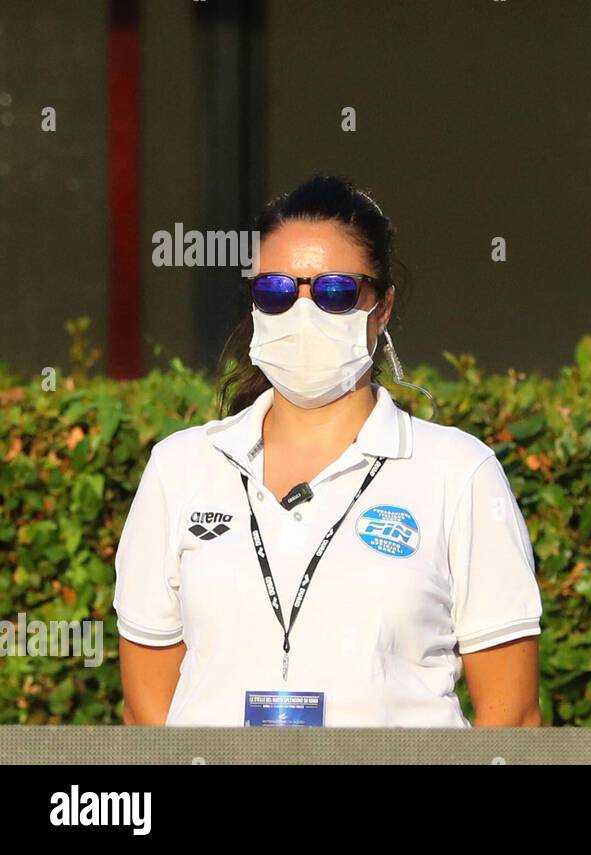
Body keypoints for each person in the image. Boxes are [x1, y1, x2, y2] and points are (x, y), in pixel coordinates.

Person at [114, 175, 543, 727]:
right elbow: (148, 709)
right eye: (275, 290)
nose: (302, 310)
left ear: (382, 308)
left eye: (335, 291)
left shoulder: (459, 473)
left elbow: (512, 715)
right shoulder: (180, 468)